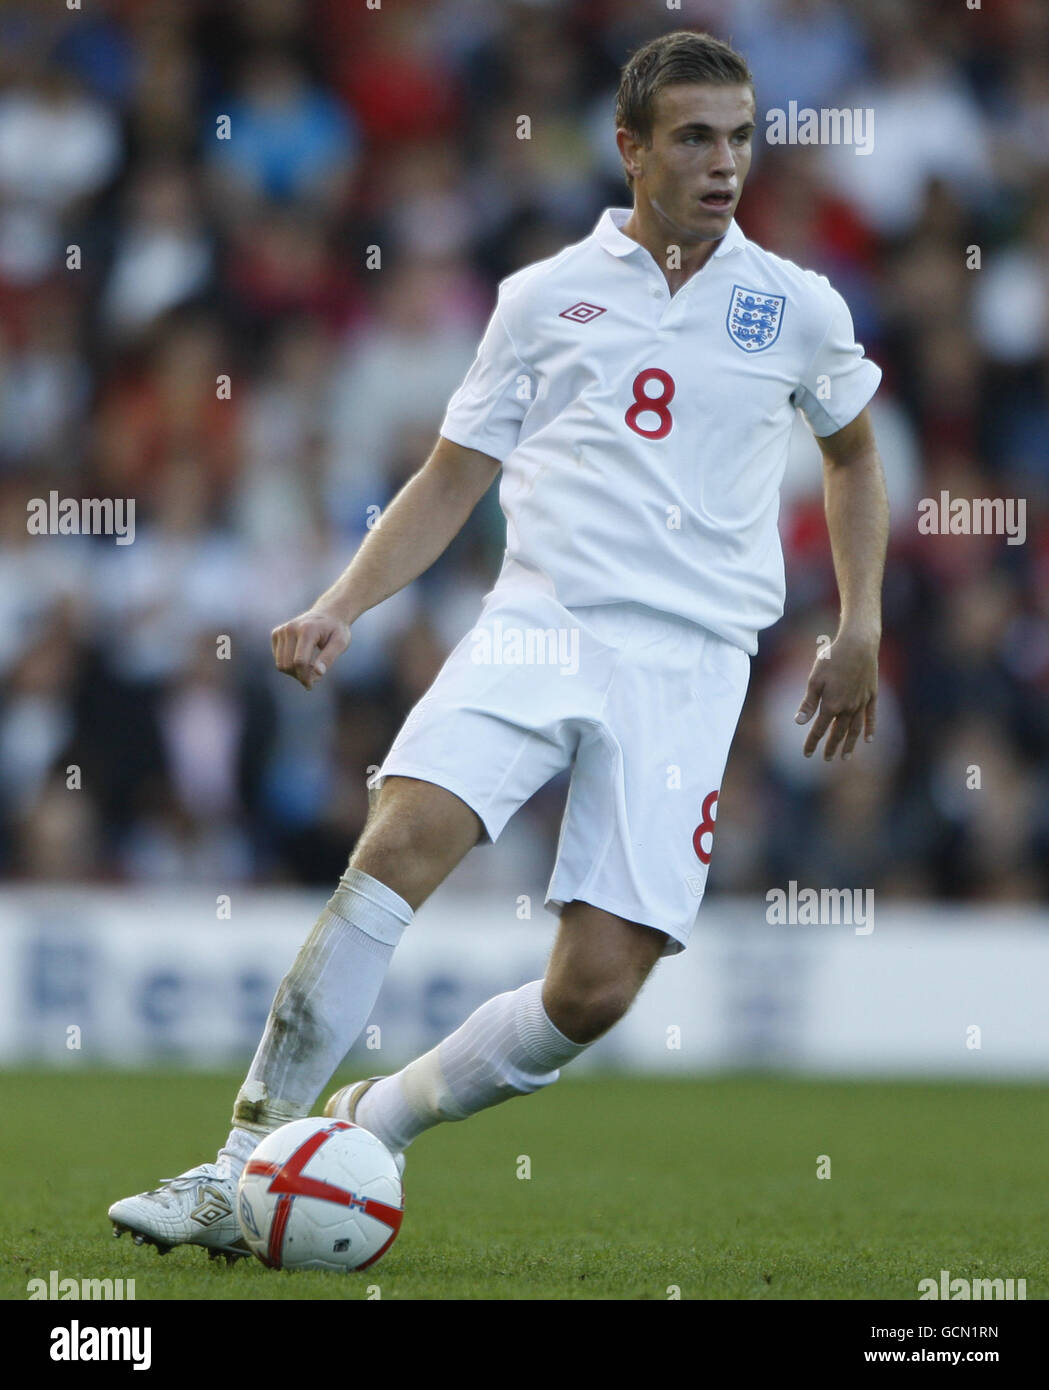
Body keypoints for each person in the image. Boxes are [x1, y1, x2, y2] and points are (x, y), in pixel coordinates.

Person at [109, 30, 887, 1260]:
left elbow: (850, 453)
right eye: (693, 136)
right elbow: (448, 474)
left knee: (593, 989)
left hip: (692, 658)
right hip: (541, 618)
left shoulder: (796, 304)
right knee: (399, 838)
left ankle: (375, 1119)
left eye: (739, 136)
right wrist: (341, 604)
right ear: (628, 148)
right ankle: (234, 1162)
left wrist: (860, 619)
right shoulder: (538, 299)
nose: (723, 161)